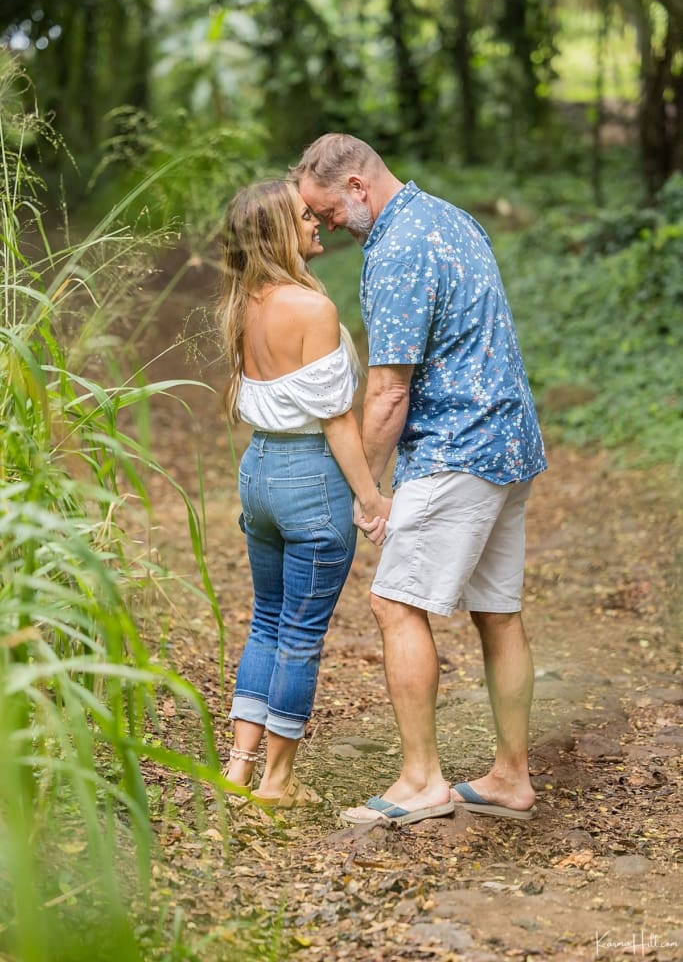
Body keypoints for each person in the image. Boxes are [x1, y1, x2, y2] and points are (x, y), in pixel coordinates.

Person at [290, 134, 547, 825]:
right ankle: (509, 778)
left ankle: (421, 780)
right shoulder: (448, 216)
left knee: (395, 603)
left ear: (356, 187)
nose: (329, 228)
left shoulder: (398, 251)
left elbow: (387, 393)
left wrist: (366, 494)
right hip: (509, 439)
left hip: (457, 447)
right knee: (496, 611)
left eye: (330, 213)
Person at [217, 178, 391, 809]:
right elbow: (337, 420)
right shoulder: (311, 309)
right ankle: (278, 782)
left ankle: (238, 769)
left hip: (259, 468)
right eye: (302, 216)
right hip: (309, 476)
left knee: (265, 622)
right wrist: (371, 498)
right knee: (299, 634)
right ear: (277, 233)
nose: (316, 219)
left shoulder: (245, 300)